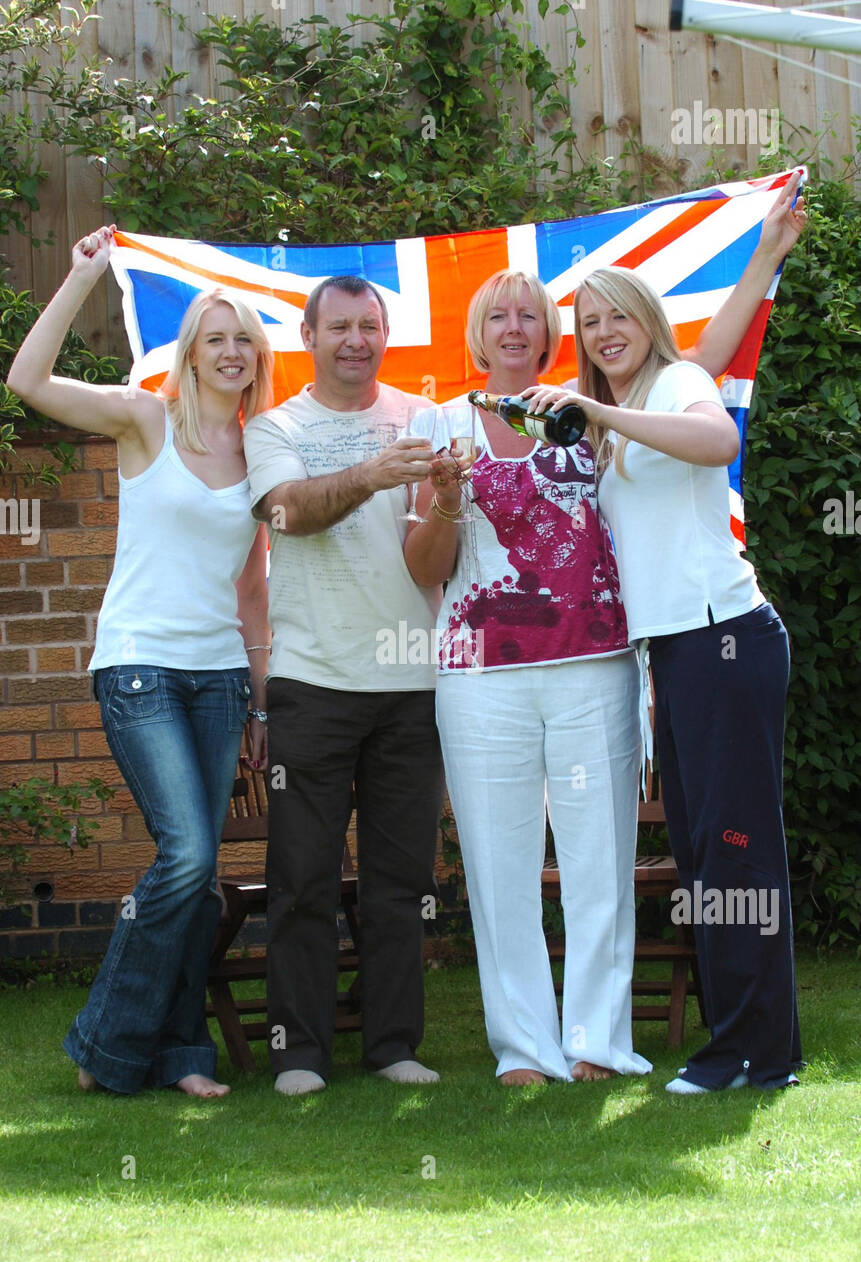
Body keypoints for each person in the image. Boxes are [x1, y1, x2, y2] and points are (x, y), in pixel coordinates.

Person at [403, 173, 806, 1086]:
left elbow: (700, 403)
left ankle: (661, 1046)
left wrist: (763, 259)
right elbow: (422, 568)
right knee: (667, 854)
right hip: (536, 668)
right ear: (480, 334)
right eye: (498, 316)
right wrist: (443, 499)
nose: (518, 329)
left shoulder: (586, 416)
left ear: (550, 337)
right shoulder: (470, 424)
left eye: (535, 317)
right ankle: (552, 1050)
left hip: (655, 653)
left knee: (676, 856)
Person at [7, 226, 274, 1097]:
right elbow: (27, 383)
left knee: (197, 881)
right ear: (190, 351)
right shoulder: (144, 418)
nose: (231, 352)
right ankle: (105, 1043)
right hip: (139, 668)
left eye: (244, 339)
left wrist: (262, 700)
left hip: (220, 678)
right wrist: (82, 280)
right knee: (190, 855)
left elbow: (251, 593)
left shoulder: (258, 453)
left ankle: (181, 1054)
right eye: (216, 337)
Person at [526, 261, 803, 1093]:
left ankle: (750, 1053)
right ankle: (751, 1046)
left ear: (646, 319)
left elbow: (718, 439)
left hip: (725, 637)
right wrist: (763, 255)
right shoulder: (640, 404)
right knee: (704, 853)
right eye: (590, 322)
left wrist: (592, 409)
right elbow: (710, 352)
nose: (604, 332)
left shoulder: (670, 385)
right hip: (679, 655)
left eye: (619, 316)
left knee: (734, 853)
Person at [242, 274, 448, 1096]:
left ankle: (393, 1043)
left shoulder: (423, 418)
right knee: (302, 877)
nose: (356, 341)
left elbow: (439, 543)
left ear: (384, 333)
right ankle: (298, 1053)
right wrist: (370, 473)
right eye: (340, 327)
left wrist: (445, 495)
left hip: (410, 680)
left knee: (401, 882)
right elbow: (286, 512)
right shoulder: (275, 425)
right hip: (313, 679)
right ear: (308, 335)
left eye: (370, 326)